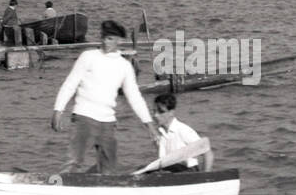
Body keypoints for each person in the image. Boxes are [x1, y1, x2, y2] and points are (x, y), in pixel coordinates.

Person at [51, 18, 160, 173]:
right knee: (74, 162)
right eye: (103, 37)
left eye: (109, 39)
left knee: (109, 169)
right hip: (84, 117)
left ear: (119, 41)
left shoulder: (124, 66)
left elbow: (135, 98)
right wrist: (58, 110)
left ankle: (97, 190)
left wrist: (150, 126)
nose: (105, 42)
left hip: (108, 124)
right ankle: (59, 190)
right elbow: (70, 84)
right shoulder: (88, 57)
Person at [152, 93, 213, 172]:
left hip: (187, 171)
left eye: (161, 112)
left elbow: (208, 153)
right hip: (169, 171)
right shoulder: (158, 133)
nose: (155, 115)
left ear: (171, 112)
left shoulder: (183, 130)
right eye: (154, 111)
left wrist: (205, 178)